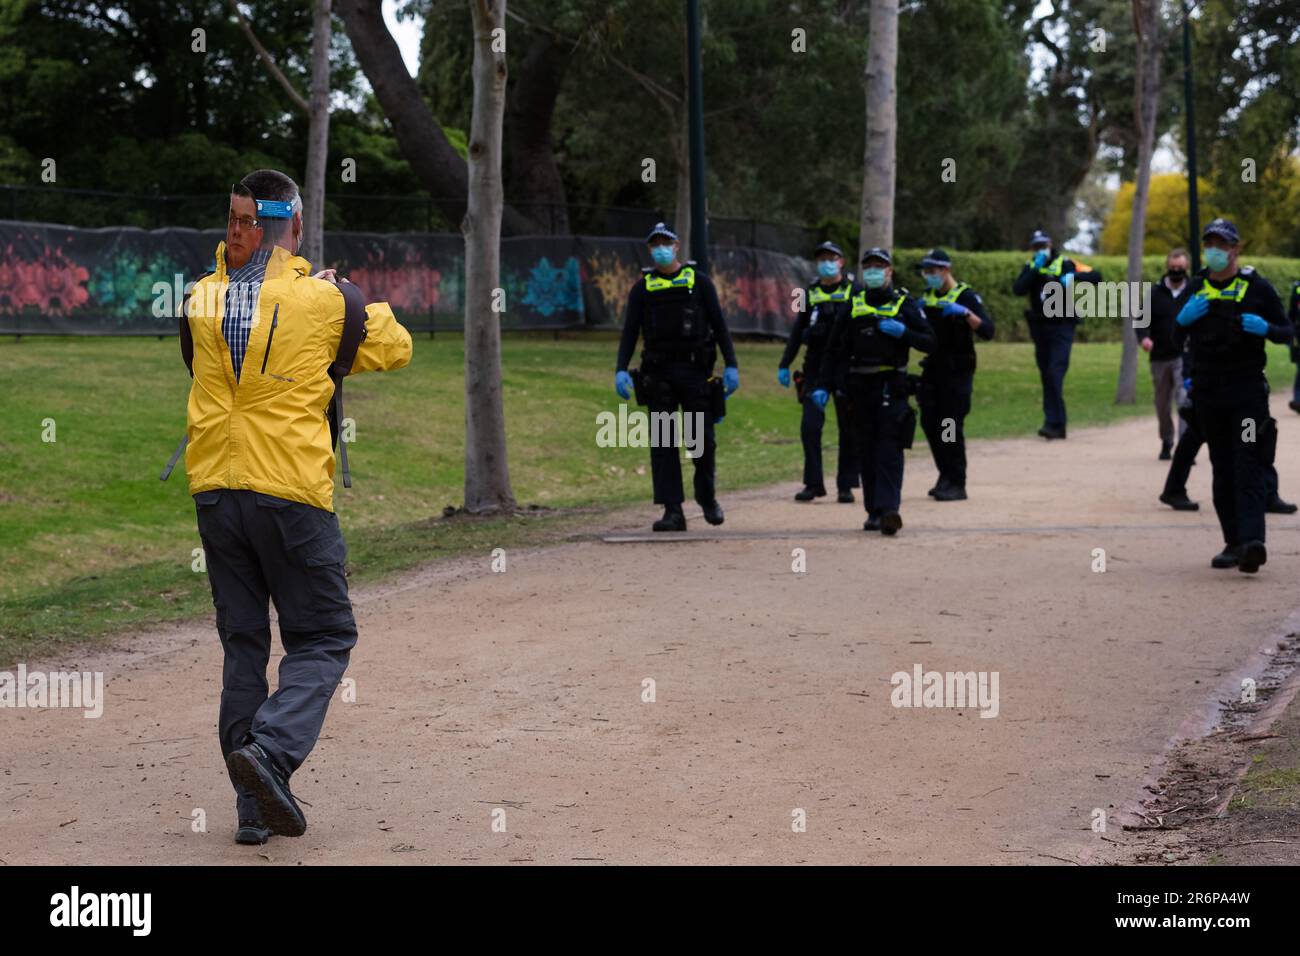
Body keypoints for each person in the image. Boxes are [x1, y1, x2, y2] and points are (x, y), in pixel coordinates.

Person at [185, 170, 412, 843]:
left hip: (215, 492)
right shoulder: (327, 301)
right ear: (298, 226)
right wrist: (346, 293)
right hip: (290, 493)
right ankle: (273, 754)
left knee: (244, 643)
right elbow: (394, 349)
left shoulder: (201, 298)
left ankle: (253, 808)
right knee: (323, 636)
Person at [1173, 217, 1292, 572]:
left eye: (1221, 245)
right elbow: (1169, 342)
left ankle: (1253, 542)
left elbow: (1288, 331)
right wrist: (1181, 321)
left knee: (1248, 463)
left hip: (1247, 397)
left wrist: (1267, 328)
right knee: (1222, 466)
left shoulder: (1257, 288)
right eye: (1210, 244)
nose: (1214, 251)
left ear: (1236, 249)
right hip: (1210, 396)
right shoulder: (1196, 289)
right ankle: (1233, 542)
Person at [615, 222, 739, 531]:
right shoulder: (642, 288)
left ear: (677, 246)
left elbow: (720, 325)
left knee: (701, 442)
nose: (661, 248)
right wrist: (620, 368)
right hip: (658, 375)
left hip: (695, 373)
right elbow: (630, 331)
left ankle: (706, 497)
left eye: (665, 242)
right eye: (655, 243)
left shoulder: (700, 283)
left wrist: (732, 364)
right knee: (664, 443)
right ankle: (673, 511)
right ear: (649, 249)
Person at [813, 247, 934, 535]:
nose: (873, 271)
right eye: (868, 267)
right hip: (859, 388)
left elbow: (930, 341)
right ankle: (873, 511)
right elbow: (833, 349)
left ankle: (890, 508)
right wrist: (823, 385)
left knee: (889, 448)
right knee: (866, 449)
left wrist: (905, 333)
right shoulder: (851, 305)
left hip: (892, 386)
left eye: (879, 266)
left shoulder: (904, 303)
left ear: (890, 271)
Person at [778, 241, 859, 503]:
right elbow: (796, 330)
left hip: (846, 368)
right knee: (810, 427)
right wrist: (784, 363)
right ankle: (813, 483)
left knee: (848, 428)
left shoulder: (854, 290)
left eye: (831, 258)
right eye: (822, 258)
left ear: (841, 262)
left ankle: (846, 485)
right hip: (814, 367)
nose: (826, 263)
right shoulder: (807, 292)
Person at [914, 248, 994, 501]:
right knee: (929, 423)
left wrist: (966, 314)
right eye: (926, 271)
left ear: (946, 270)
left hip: (956, 373)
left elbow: (988, 330)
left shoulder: (966, 296)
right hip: (933, 371)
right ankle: (944, 474)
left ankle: (957, 481)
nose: (929, 276)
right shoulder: (926, 298)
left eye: (933, 271)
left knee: (949, 426)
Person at [1012, 229, 1101, 439]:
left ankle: (1055, 422)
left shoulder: (1066, 262)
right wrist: (1035, 268)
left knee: (1054, 371)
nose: (1040, 249)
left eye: (1043, 245)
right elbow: (1018, 289)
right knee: (1046, 374)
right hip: (1040, 328)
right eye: (1036, 246)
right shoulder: (1031, 266)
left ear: (1050, 244)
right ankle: (1053, 423)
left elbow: (1096, 276)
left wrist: (1073, 276)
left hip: (1062, 327)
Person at [1140, 249, 1193, 460]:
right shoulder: (1154, 293)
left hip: (1184, 356)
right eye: (1173, 268)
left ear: (1187, 268)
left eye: (1180, 268)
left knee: (1183, 400)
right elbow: (1141, 320)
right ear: (1167, 267)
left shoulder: (1193, 292)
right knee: (1162, 404)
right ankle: (1167, 439)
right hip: (1159, 356)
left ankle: (1185, 446)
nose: (1176, 271)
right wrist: (1144, 338)